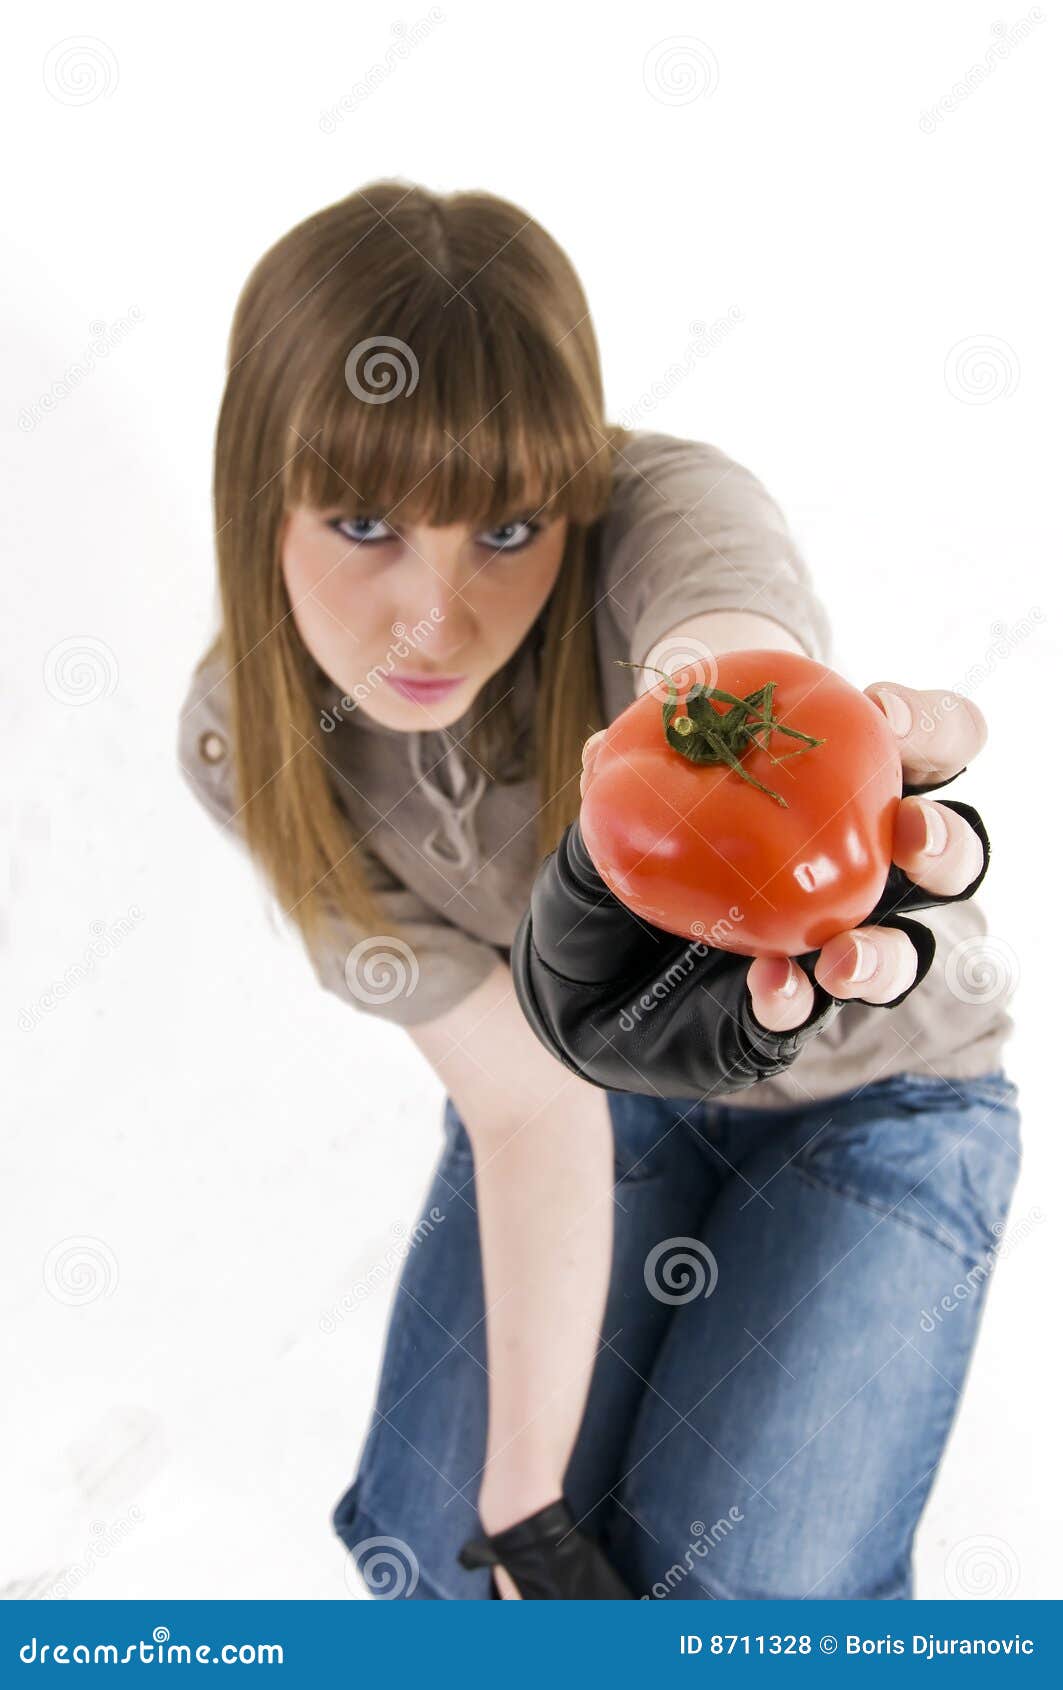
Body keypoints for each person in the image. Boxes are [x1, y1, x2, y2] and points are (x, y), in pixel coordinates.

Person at [177, 179, 1020, 1601]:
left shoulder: (661, 513)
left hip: (882, 1102)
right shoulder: (247, 749)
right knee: (432, 1554)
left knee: (743, 1606)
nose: (435, 617)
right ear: (260, 497)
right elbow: (526, 1103)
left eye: (507, 528)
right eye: (365, 522)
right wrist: (522, 1511)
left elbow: (725, 632)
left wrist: (753, 721)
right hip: (595, 1096)